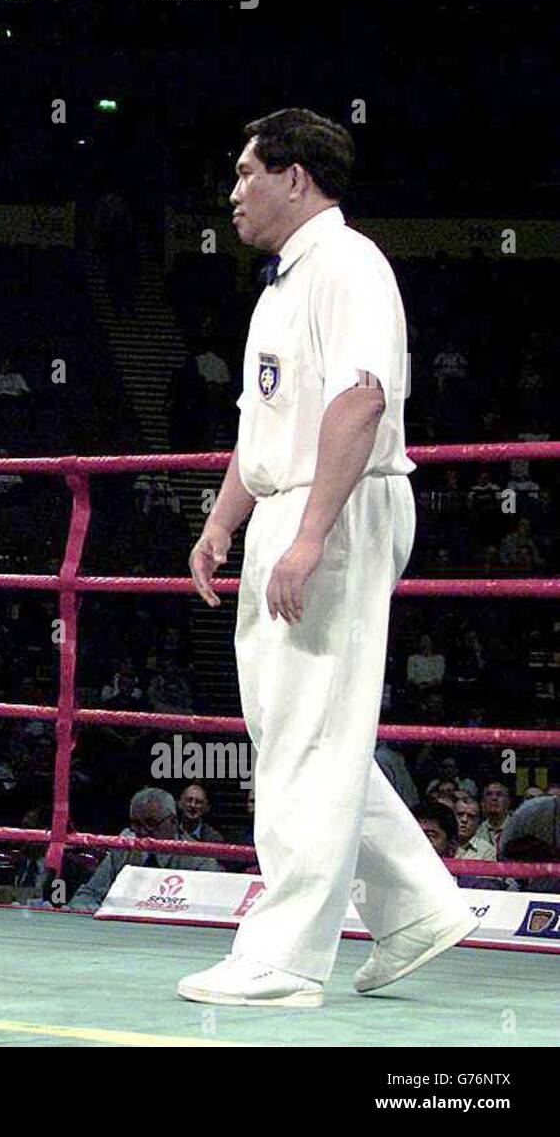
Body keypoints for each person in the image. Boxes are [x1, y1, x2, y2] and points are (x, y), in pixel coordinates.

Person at [182, 109, 474, 1007]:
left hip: (335, 506)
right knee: (294, 731)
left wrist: (310, 534)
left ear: (296, 177)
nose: (232, 192)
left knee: (309, 732)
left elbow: (360, 401)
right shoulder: (280, 285)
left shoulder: (350, 266)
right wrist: (222, 524)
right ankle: (418, 907)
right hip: (290, 502)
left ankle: (285, 960)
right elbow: (261, 422)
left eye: (245, 174)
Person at [67, 788, 221, 911]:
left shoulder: (200, 860)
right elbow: (89, 894)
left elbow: (209, 911)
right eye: (135, 823)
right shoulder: (124, 846)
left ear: (173, 822)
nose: (141, 831)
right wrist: (92, 909)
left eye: (150, 823)